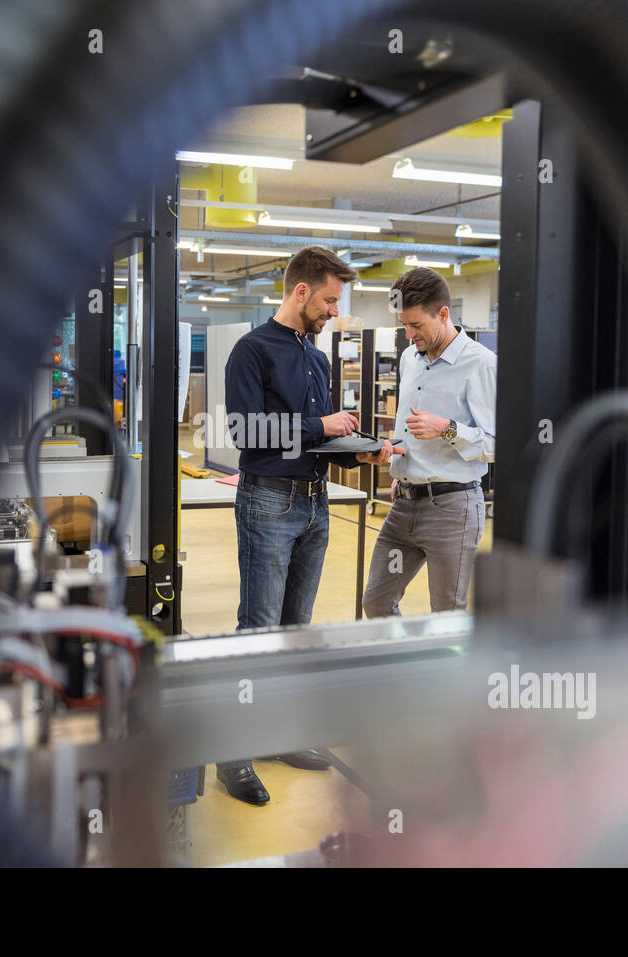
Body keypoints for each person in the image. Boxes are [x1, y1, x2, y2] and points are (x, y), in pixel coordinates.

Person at [216, 245, 401, 806]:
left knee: (295, 632)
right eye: (327, 300)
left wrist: (355, 455)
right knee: (259, 630)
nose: (331, 311)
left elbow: (317, 441)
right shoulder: (251, 351)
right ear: (300, 292)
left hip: (315, 503)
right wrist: (321, 423)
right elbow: (247, 432)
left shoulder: (318, 358)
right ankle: (233, 756)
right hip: (268, 503)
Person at [362, 266, 496, 617]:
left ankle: (450, 673)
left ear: (443, 314)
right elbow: (409, 429)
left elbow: (498, 443)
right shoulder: (409, 359)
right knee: (376, 601)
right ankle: (406, 668)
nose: (408, 334)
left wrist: (448, 429)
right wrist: (397, 460)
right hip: (404, 504)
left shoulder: (480, 364)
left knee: (447, 614)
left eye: (416, 325)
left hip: (453, 509)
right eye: (404, 325)